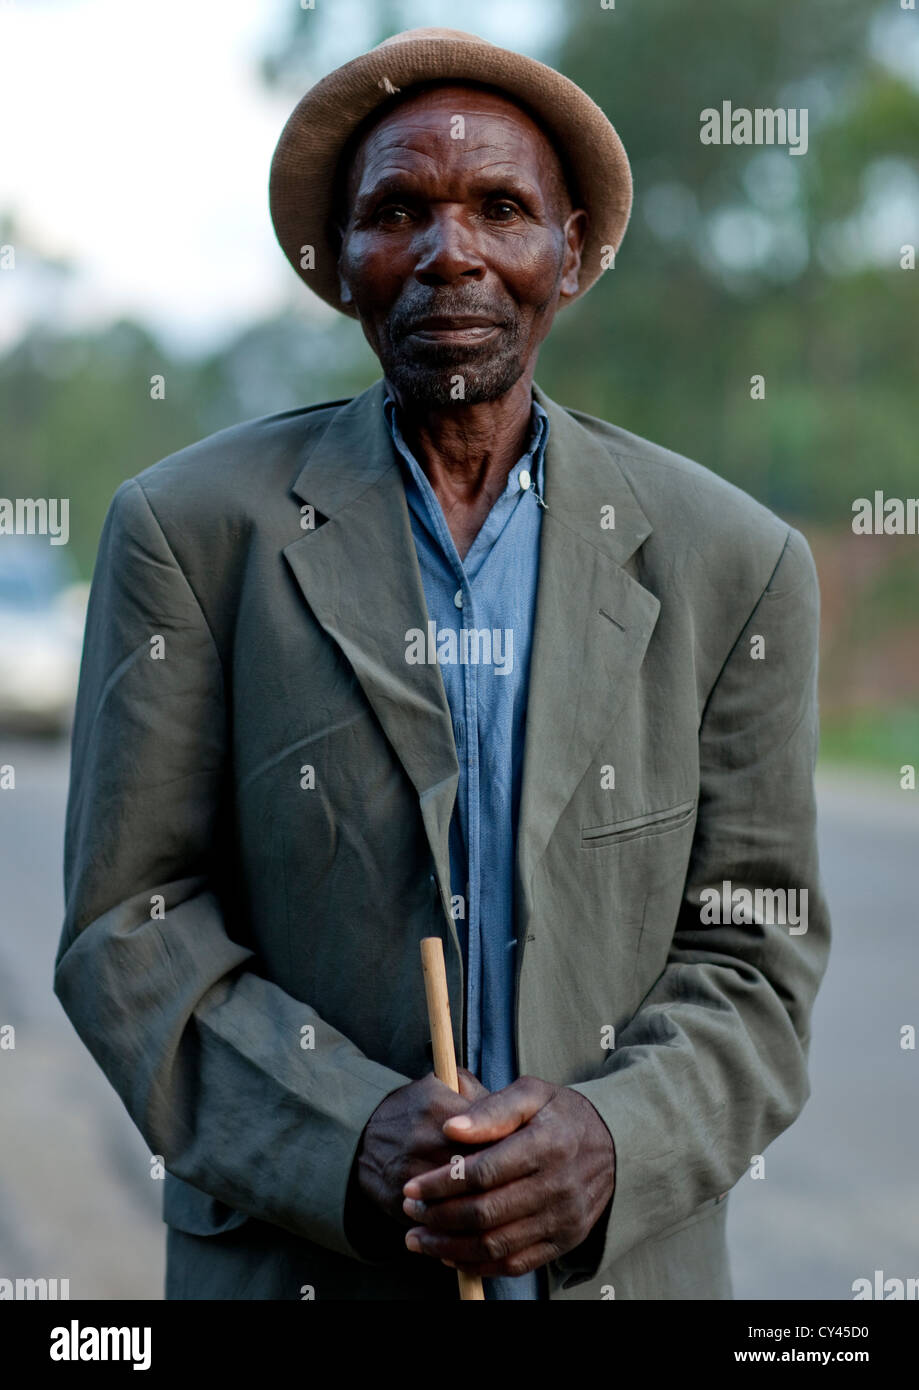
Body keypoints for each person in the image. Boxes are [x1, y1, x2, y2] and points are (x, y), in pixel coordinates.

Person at [54, 28, 830, 1301]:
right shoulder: (192, 535)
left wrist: (608, 1142)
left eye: (502, 209)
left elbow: (756, 955)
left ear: (569, 254)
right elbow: (128, 926)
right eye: (398, 212)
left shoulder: (731, 562)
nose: (449, 252)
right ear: (343, 262)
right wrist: (347, 1135)